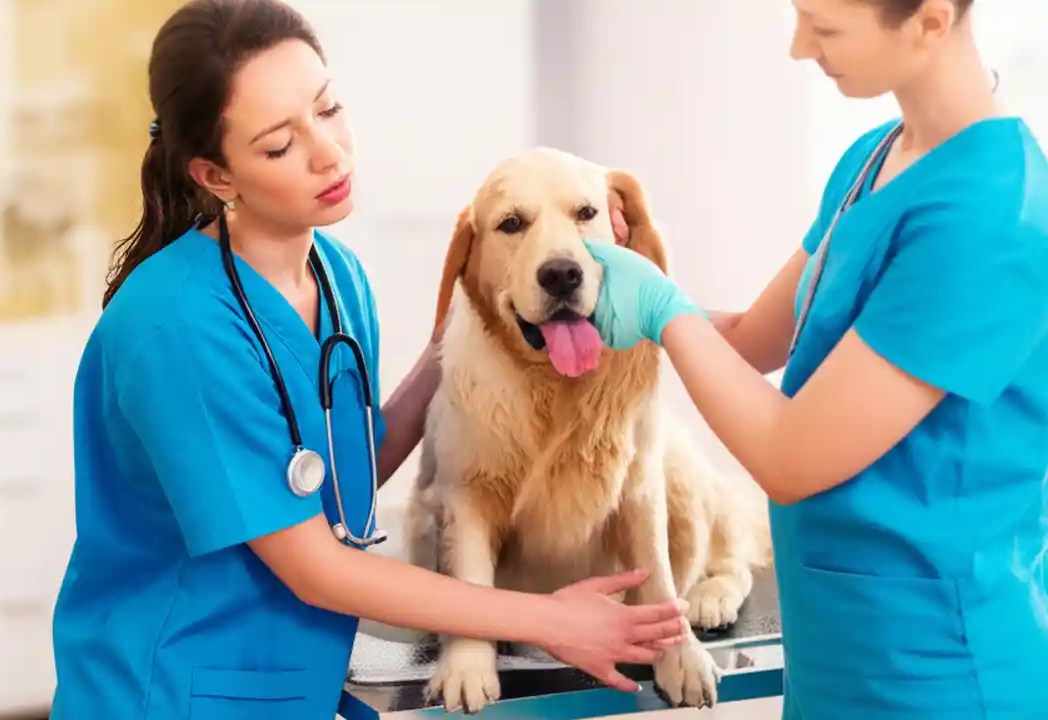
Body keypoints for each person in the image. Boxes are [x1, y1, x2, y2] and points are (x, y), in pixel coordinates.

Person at [48, 1, 689, 718]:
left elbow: (337, 479)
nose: (328, 152)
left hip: (293, 684)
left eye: (328, 109)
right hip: (169, 692)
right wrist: (548, 619)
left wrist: (472, 327)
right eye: (280, 145)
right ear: (217, 176)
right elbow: (315, 566)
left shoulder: (337, 276)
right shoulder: (175, 327)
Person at [584, 0, 1048, 718]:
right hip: (836, 656)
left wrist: (660, 309)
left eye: (824, 27)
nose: (799, 47)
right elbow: (749, 338)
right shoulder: (874, 159)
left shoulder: (988, 212)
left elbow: (790, 457)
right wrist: (609, 283)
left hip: (937, 671)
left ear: (929, 20)